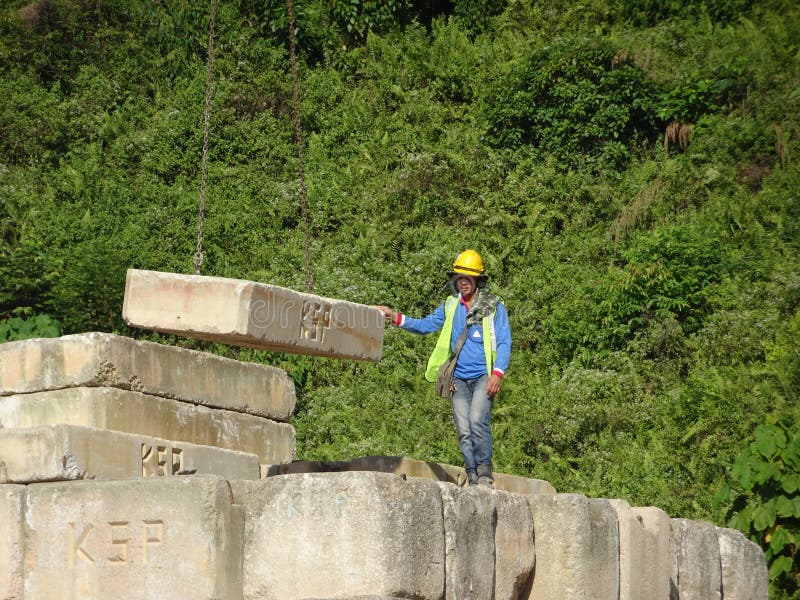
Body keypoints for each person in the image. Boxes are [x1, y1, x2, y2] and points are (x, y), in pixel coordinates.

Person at [376, 249, 511, 487]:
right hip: (457, 378)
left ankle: (485, 474)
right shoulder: (450, 306)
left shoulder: (493, 306)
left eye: (468, 277)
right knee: (464, 428)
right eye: (459, 277)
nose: (463, 282)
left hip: (483, 375)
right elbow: (426, 325)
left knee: (478, 420)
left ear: (477, 280)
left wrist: (498, 373)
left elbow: (503, 341)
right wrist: (394, 317)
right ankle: (472, 475)